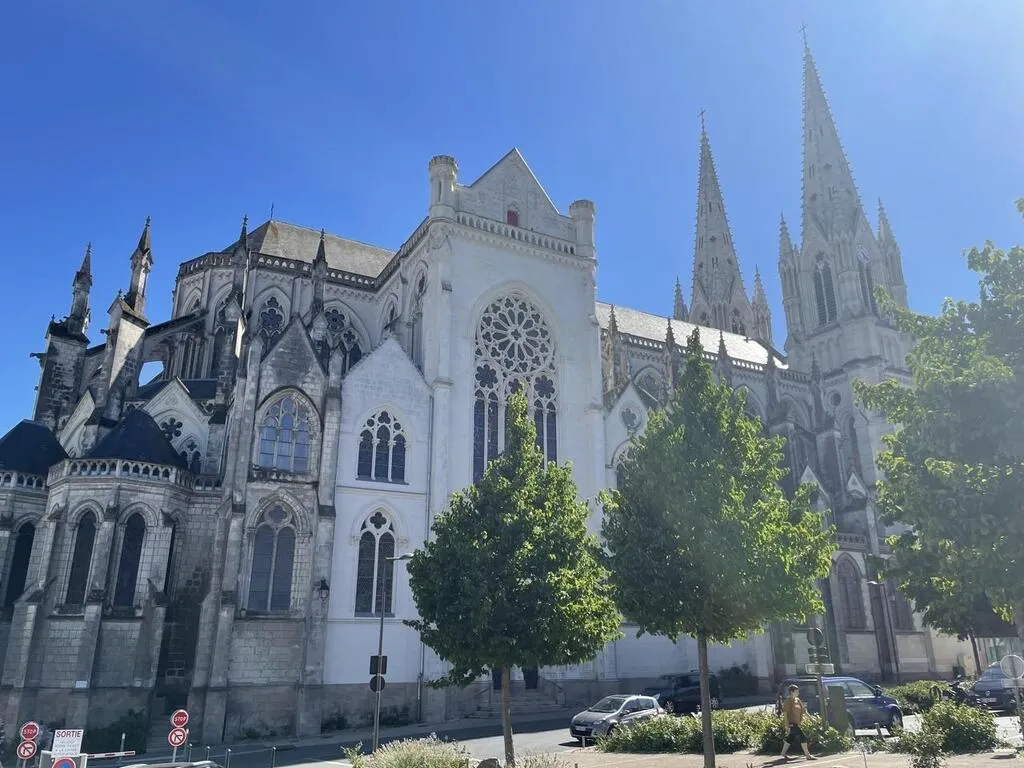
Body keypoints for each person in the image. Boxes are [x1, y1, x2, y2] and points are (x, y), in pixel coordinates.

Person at [780, 684, 816, 760]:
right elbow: (785, 713)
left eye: (798, 691)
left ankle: (783, 753)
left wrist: (811, 719)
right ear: (791, 692)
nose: (798, 692)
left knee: (790, 738)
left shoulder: (798, 700)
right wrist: (786, 725)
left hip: (797, 723)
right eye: (796, 691)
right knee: (803, 738)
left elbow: (804, 711)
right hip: (791, 723)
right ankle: (808, 755)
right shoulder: (788, 701)